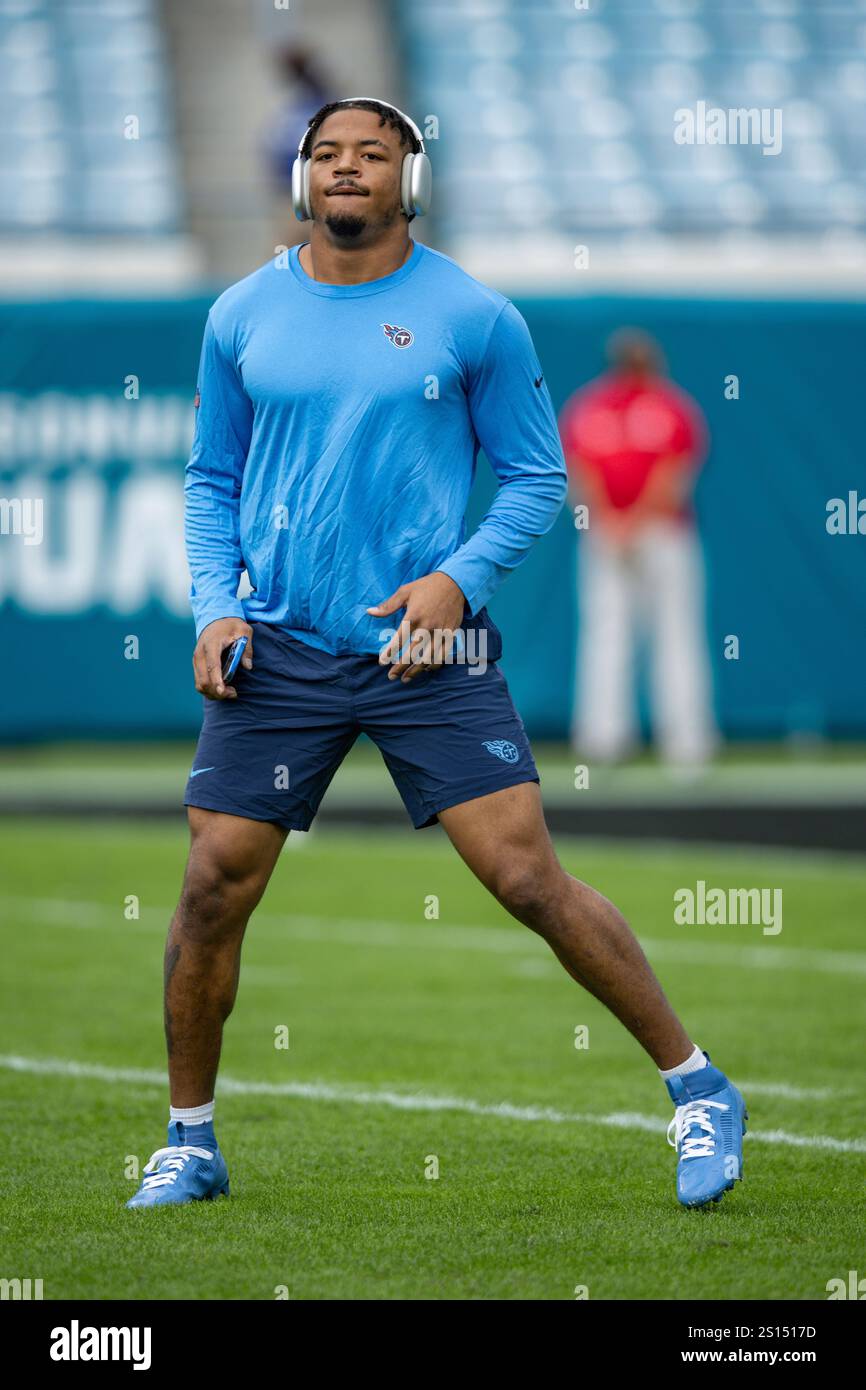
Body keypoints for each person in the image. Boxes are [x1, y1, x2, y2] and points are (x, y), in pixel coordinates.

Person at [126, 100, 746, 1213]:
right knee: (212, 884)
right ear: (303, 177)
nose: (347, 168)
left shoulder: (475, 315)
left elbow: (534, 479)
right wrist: (214, 608)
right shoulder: (241, 313)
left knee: (523, 878)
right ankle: (189, 1140)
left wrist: (454, 581)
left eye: (372, 153)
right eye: (327, 154)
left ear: (410, 179)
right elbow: (210, 479)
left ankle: (697, 1087)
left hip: (431, 644)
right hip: (278, 648)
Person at [560, 329, 718, 767]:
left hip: (621, 533)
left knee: (614, 636)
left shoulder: (590, 405)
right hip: (653, 532)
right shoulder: (670, 404)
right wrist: (625, 522)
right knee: (665, 636)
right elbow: (672, 475)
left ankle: (608, 743)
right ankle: (681, 746)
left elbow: (579, 474)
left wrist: (613, 521)